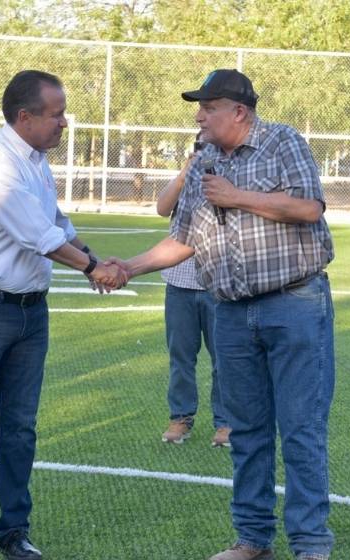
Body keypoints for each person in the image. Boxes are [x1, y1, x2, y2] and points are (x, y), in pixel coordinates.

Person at [112, 69, 335, 560]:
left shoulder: (283, 142)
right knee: (247, 431)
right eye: (200, 107)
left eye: (208, 107)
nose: (199, 115)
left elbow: (309, 209)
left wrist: (239, 198)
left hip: (294, 303)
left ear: (239, 112)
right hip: (231, 312)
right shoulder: (205, 160)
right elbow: (183, 239)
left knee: (300, 428)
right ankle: (253, 540)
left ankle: (311, 545)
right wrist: (129, 267)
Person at [0, 70, 126, 560]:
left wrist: (93, 257)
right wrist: (96, 268)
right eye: (56, 114)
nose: (64, 124)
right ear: (25, 116)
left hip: (31, 313)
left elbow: (58, 224)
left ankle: (13, 530)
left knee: (20, 427)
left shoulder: (35, 161)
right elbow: (36, 234)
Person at [155, 136, 230, 447]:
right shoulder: (186, 178)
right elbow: (162, 208)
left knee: (223, 358)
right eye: (200, 148)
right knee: (181, 356)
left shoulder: (229, 180)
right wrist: (185, 172)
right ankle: (180, 418)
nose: (204, 154)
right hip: (180, 284)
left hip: (217, 285)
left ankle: (226, 422)